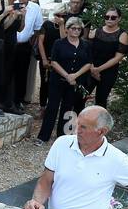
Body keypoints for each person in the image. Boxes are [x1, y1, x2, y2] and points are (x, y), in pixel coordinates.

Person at [24, 105, 128, 209]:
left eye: (83, 127)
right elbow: (46, 180)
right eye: (77, 124)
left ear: (102, 131)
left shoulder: (117, 160)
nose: (76, 130)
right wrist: (37, 201)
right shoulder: (61, 144)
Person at [37, 16, 93, 144]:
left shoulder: (86, 45)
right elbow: (54, 62)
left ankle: (61, 138)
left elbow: (89, 63)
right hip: (58, 80)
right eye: (73, 28)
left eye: (79, 29)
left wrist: (75, 75)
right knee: (52, 107)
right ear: (67, 29)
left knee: (68, 109)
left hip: (75, 82)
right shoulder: (59, 43)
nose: (76, 31)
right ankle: (43, 137)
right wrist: (67, 75)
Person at [88, 7, 128, 108]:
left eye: (113, 17)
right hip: (90, 68)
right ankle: (78, 121)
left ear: (119, 19)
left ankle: (101, 123)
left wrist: (98, 70)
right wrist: (92, 68)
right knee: (80, 95)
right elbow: (87, 51)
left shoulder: (122, 35)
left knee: (101, 100)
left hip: (108, 71)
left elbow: (118, 58)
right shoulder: (96, 31)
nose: (109, 19)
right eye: (107, 17)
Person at [12, 0, 45, 107]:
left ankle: (18, 100)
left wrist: (32, 41)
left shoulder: (35, 7)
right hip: (10, 43)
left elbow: (38, 27)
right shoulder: (12, 3)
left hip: (25, 44)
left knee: (22, 74)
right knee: (8, 72)